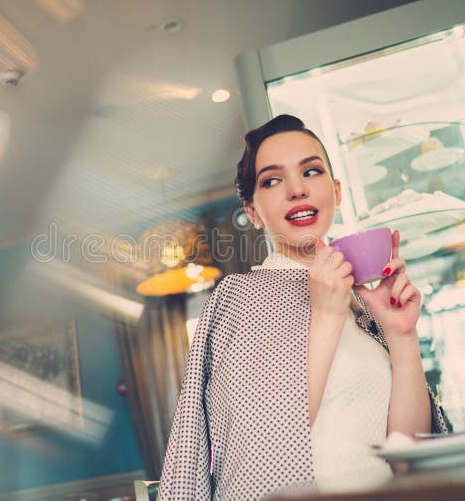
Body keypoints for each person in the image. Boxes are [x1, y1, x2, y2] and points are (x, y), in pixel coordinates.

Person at [158, 114, 447, 500]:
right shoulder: (239, 298)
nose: (296, 189)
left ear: (337, 191)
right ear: (254, 210)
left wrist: (401, 335)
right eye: (272, 180)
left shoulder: (362, 302)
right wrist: (326, 314)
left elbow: (407, 456)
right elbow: (259, 446)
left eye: (311, 171)